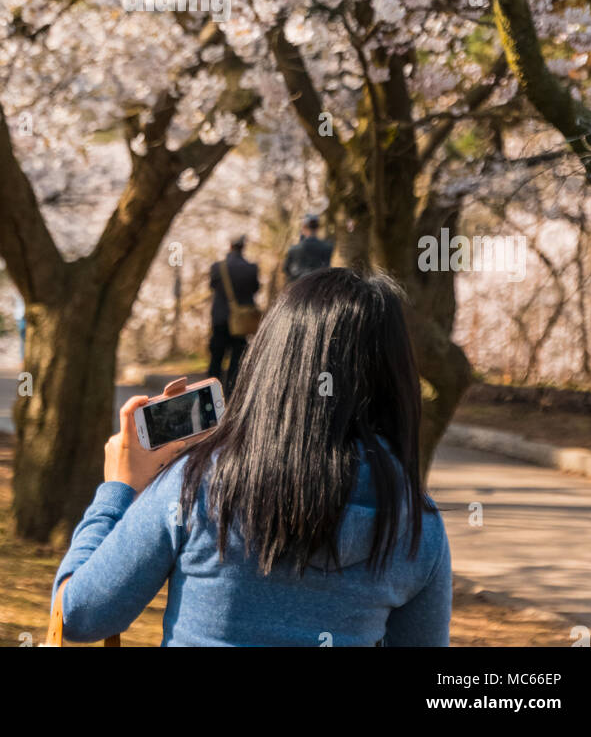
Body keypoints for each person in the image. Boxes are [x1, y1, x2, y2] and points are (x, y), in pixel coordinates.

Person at [51, 269, 451, 647]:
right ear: (396, 379)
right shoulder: (416, 523)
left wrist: (117, 490)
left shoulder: (196, 485)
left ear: (271, 363)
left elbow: (79, 616)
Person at [207, 236, 259, 397]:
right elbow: (255, 288)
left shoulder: (217, 267)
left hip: (221, 319)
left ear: (230, 246)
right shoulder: (251, 268)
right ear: (243, 247)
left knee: (216, 359)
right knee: (237, 360)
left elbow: (212, 286)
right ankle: (232, 396)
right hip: (242, 322)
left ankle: (211, 395)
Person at [284, 213, 334, 281]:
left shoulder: (293, 249)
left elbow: (286, 270)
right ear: (317, 228)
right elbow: (327, 268)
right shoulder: (328, 247)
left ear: (303, 228)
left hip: (299, 287)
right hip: (319, 286)